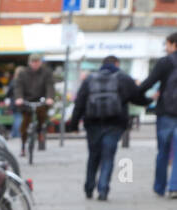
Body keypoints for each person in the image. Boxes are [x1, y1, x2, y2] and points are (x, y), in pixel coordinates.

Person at [67, 56, 146, 200]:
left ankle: (89, 188)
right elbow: (137, 97)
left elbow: (80, 102)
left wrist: (73, 124)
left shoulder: (90, 79)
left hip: (93, 123)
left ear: (102, 65)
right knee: (108, 156)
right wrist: (151, 100)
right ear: (117, 64)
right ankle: (103, 189)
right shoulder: (123, 78)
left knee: (93, 156)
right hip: (115, 123)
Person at [135, 32, 177, 197]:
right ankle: (174, 187)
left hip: (166, 112)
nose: (166, 48)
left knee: (163, 151)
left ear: (174, 44)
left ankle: (160, 187)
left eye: (167, 45)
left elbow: (148, 83)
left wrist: (139, 97)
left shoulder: (165, 62)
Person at [10, 54, 54, 152]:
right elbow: (18, 87)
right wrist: (19, 98)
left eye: (37, 62)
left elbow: (49, 86)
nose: (35, 64)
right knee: (24, 124)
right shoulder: (23, 73)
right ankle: (23, 145)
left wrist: (49, 98)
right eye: (33, 62)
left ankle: (40, 132)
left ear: (40, 62)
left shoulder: (46, 73)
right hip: (26, 101)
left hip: (40, 100)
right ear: (29, 63)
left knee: (42, 116)